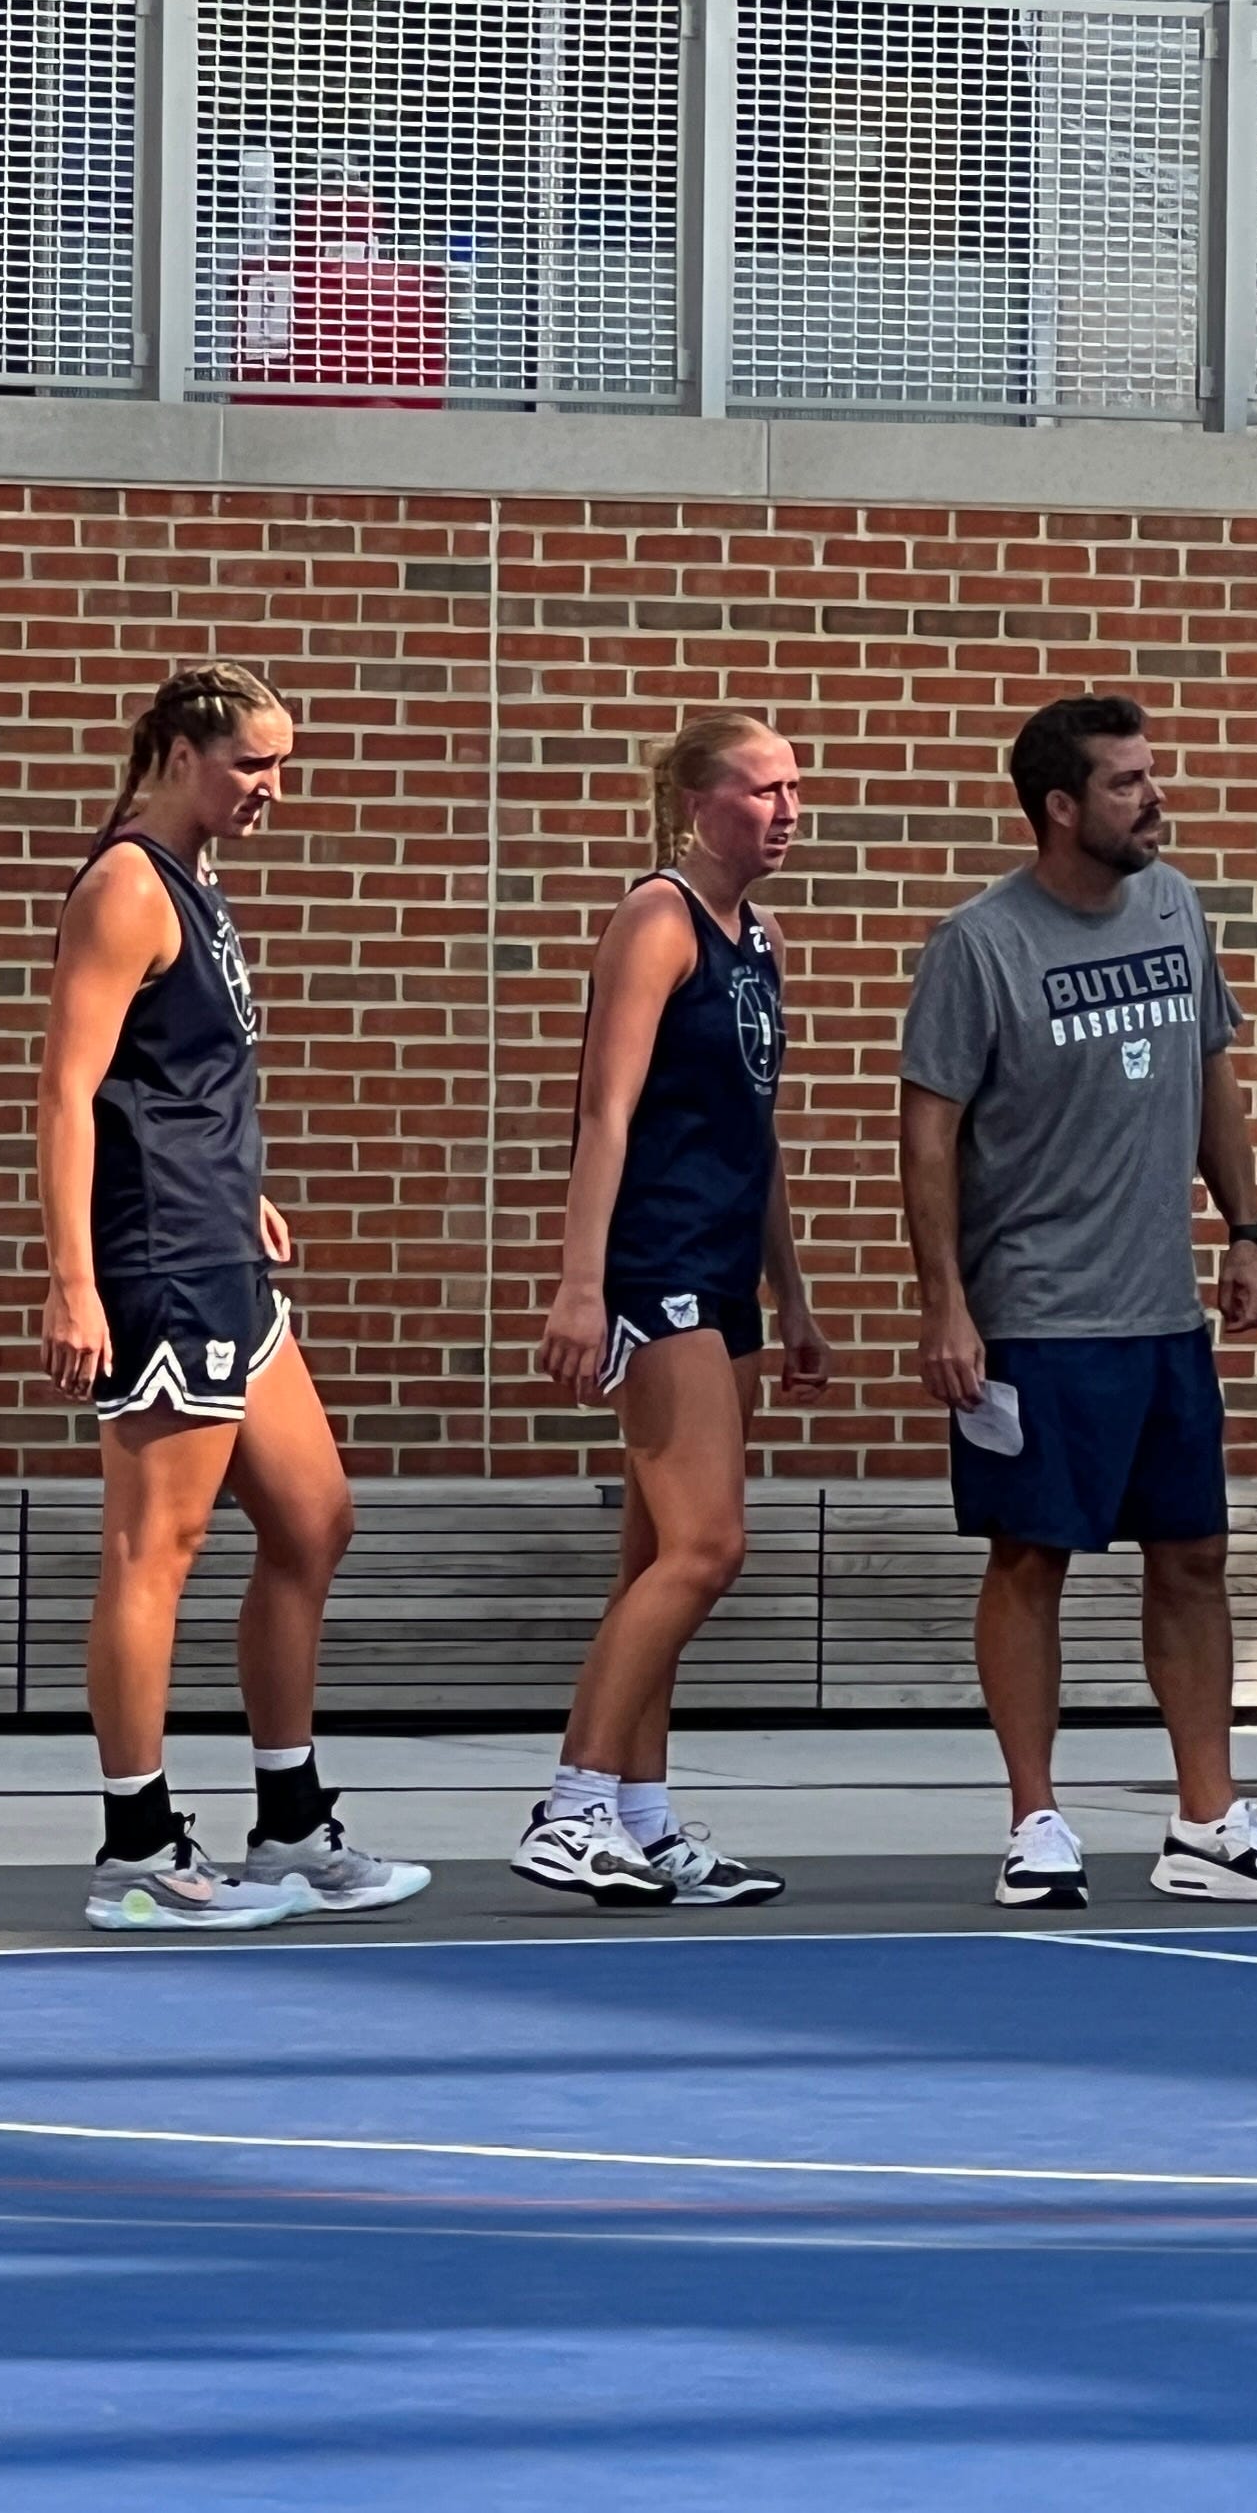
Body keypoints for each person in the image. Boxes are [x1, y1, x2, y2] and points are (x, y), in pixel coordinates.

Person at [899, 694, 1257, 1908]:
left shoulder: (1173, 905)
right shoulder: (979, 945)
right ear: (1060, 806)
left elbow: (1210, 1072)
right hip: (1037, 1314)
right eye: (1126, 782)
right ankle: (1036, 1823)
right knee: (1030, 1559)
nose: (1155, 799)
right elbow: (928, 1136)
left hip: (1161, 1314)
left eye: (1151, 776)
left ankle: (1207, 1820)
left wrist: (1247, 1229)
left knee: (1195, 1555)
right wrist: (945, 1305)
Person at [33, 665, 430, 1933]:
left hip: (222, 1250)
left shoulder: (197, 884)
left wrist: (242, 1189)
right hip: (156, 1260)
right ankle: (136, 1849)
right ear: (180, 756)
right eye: (254, 764)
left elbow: (177, 1081)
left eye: (282, 766)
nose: (273, 789)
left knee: (314, 1521)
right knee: (154, 1547)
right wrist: (73, 1281)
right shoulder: (126, 887)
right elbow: (69, 1094)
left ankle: (291, 1826)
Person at [512, 713, 830, 1909]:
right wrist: (581, 1284)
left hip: (726, 1269)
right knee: (708, 1547)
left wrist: (791, 1293)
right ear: (700, 806)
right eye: (762, 790)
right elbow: (604, 1112)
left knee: (655, 1557)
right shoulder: (657, 919)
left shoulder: (763, 941)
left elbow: (757, 1131)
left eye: (793, 788)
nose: (787, 810)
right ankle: (573, 1803)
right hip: (656, 1266)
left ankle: (641, 1818)